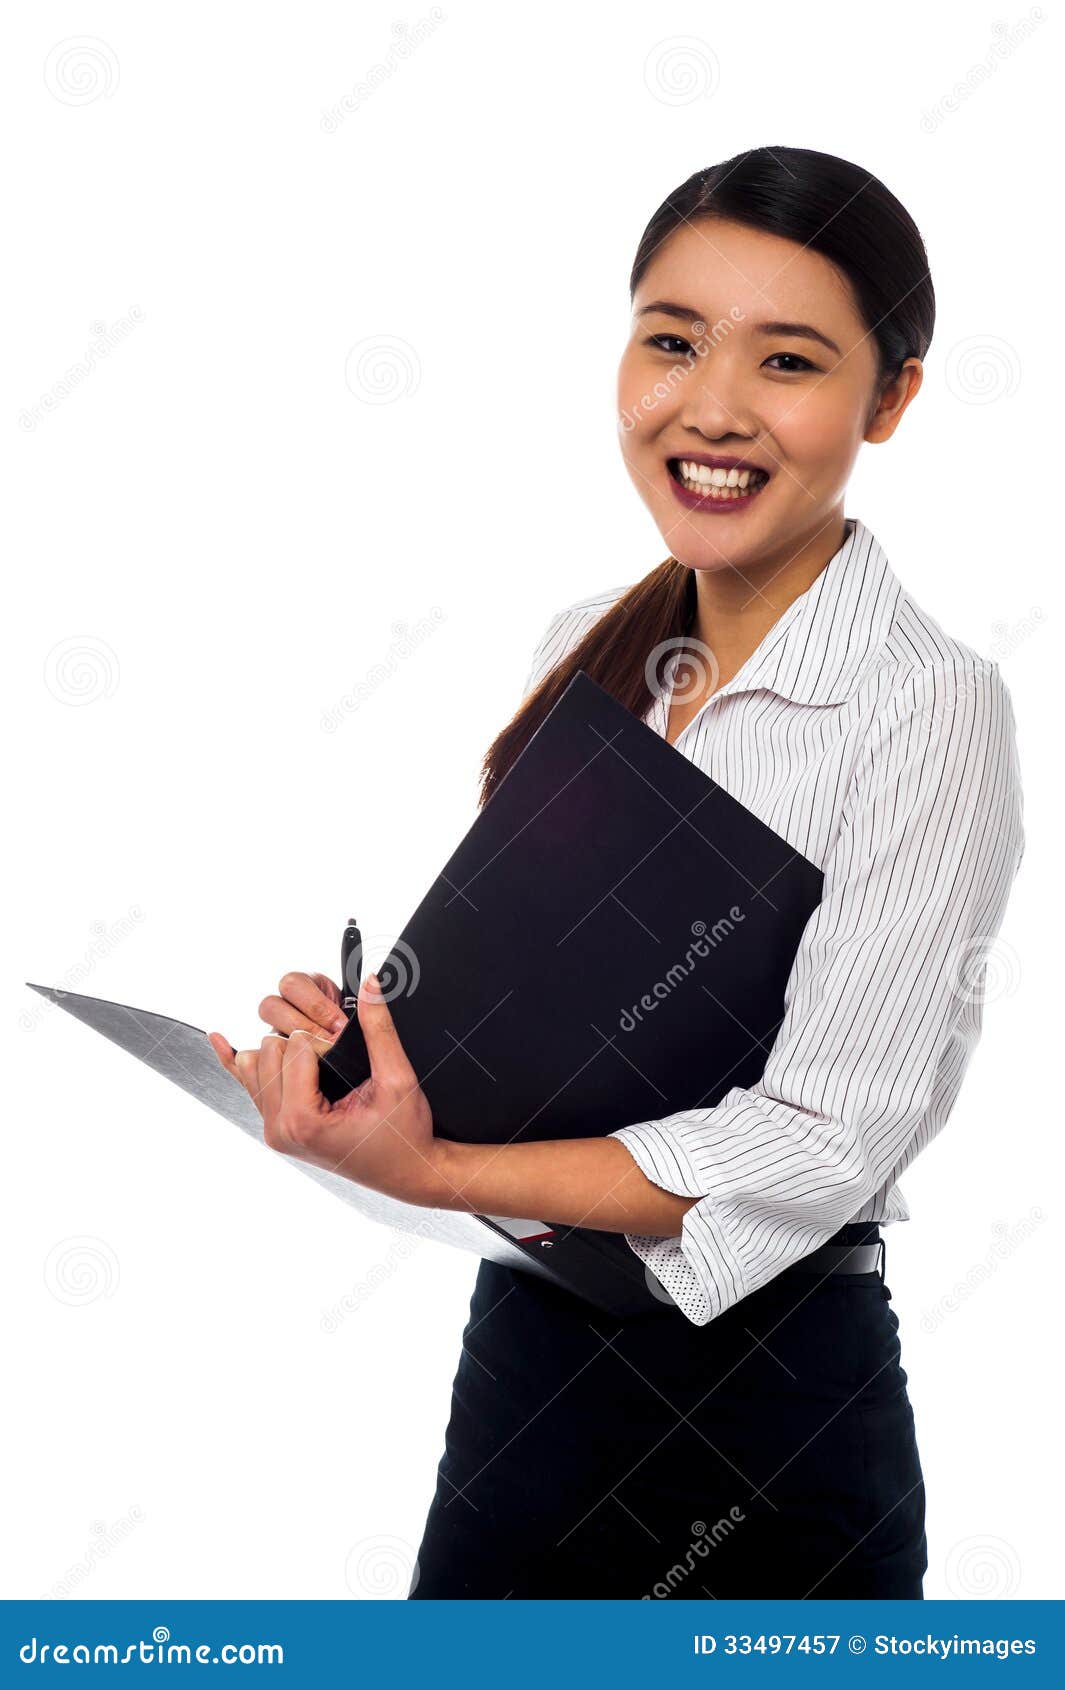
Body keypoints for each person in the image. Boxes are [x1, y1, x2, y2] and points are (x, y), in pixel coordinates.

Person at [208, 146, 1025, 1598]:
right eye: (669, 341)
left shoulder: (928, 705)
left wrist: (439, 1163)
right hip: (528, 1368)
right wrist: (380, 1061)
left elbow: (825, 1137)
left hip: (769, 1407)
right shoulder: (589, 645)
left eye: (787, 359)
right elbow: (544, 1026)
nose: (709, 408)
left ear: (889, 398)